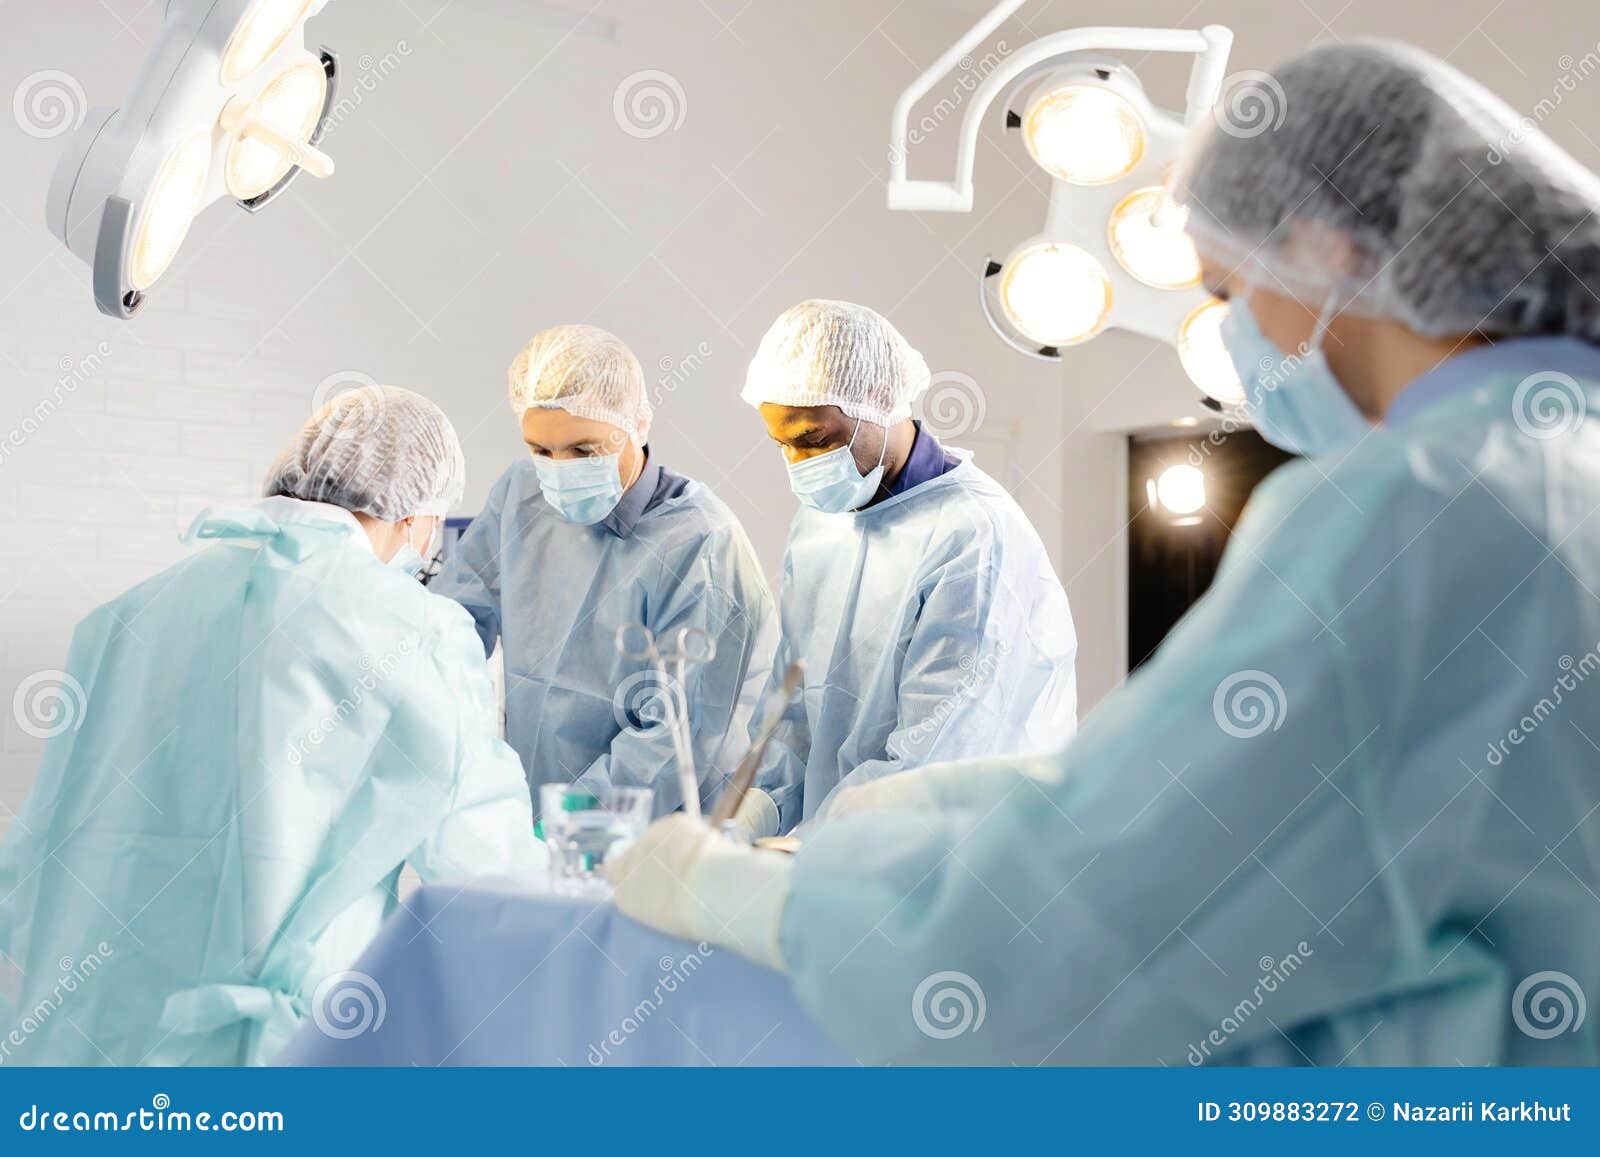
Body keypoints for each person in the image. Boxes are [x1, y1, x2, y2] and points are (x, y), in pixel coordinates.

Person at [609, 42, 1600, 1066]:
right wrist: (954, 807)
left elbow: (1046, 953)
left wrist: (733, 886)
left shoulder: (1422, 511)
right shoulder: (1552, 468)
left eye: (1222, 291)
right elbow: (1293, 818)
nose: (1229, 337)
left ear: (1326, 245)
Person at [0, 386, 544, 1066]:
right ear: (419, 519)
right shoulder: (418, 629)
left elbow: (41, 847)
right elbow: (482, 868)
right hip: (274, 1052)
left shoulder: (125, 618)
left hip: (85, 1043)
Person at [729, 299, 1078, 838]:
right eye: (783, 446)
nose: (800, 466)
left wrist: (803, 851)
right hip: (843, 853)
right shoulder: (819, 524)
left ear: (880, 401)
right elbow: (793, 708)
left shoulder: (973, 536)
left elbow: (936, 757)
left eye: (814, 440)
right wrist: (750, 814)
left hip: (952, 858)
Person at [429, 325, 775, 817]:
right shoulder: (521, 494)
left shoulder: (701, 542)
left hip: (657, 831)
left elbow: (678, 736)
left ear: (637, 424)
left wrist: (572, 820)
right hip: (540, 812)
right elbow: (457, 621)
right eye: (541, 450)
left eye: (584, 451)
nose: (559, 470)